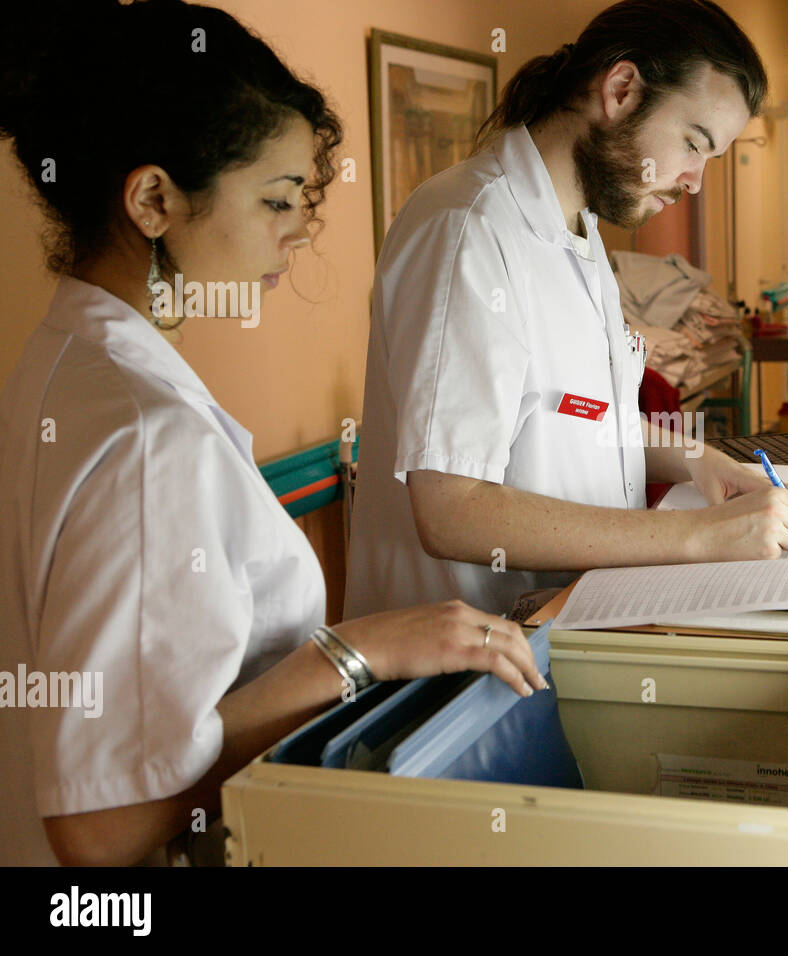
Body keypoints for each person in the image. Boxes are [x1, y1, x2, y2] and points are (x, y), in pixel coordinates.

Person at [0, 0, 544, 867]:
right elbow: (102, 832)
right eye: (276, 199)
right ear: (152, 199)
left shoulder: (67, 368)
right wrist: (360, 650)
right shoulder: (146, 435)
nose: (301, 230)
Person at [345, 0, 788, 620]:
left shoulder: (579, 231)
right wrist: (704, 537)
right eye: (692, 144)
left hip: (552, 629)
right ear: (621, 90)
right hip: (458, 669)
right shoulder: (470, 228)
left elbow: (584, 421)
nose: (694, 180)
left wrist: (705, 461)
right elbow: (449, 508)